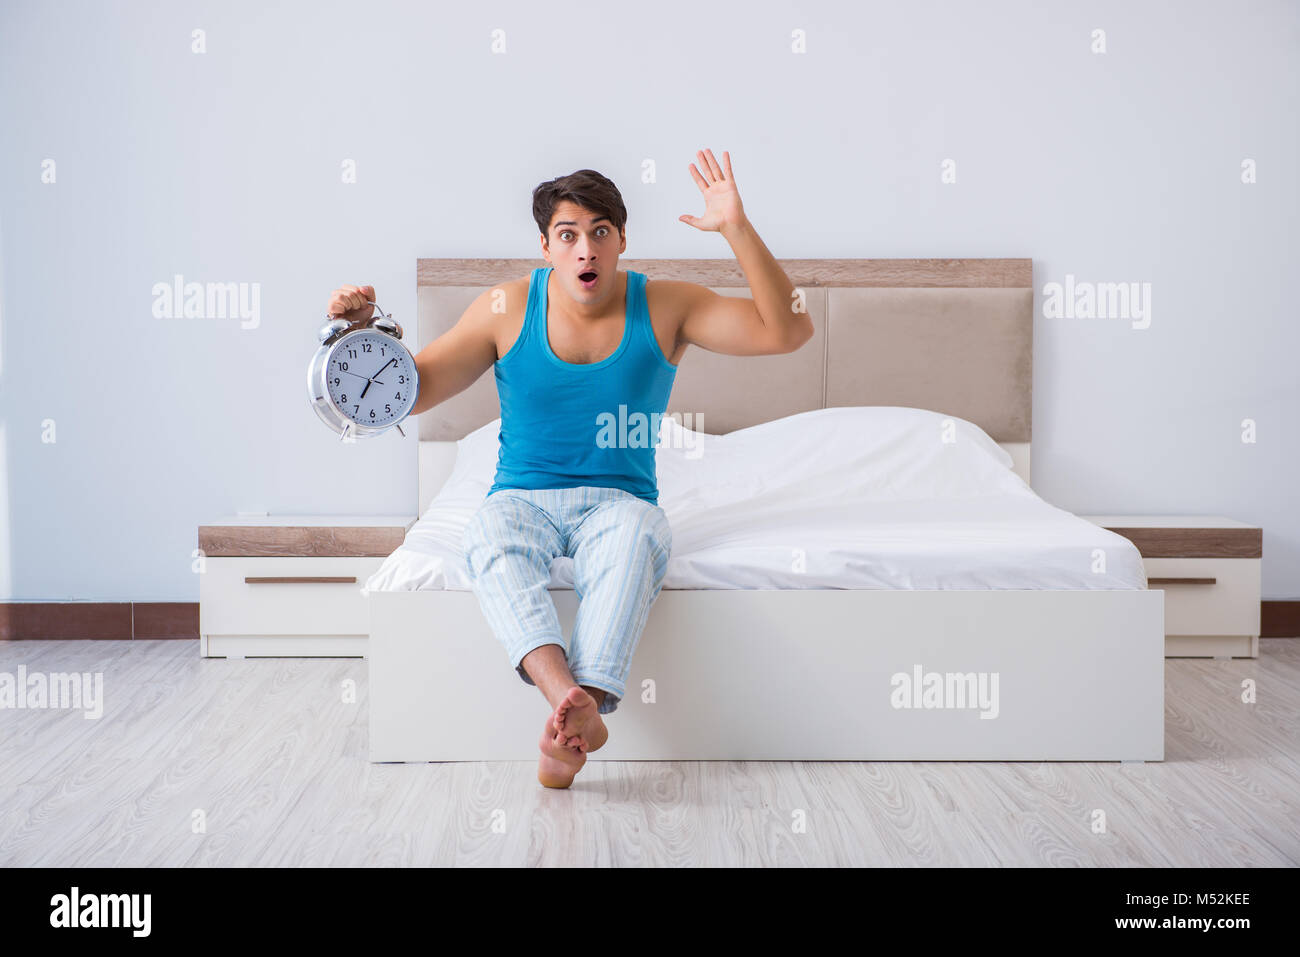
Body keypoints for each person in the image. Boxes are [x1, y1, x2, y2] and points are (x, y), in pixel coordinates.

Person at [326, 149, 813, 788]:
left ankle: (568, 723)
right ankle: (574, 704)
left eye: (600, 234)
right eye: (569, 235)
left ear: (621, 242)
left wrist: (736, 229)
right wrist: (359, 333)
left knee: (637, 539)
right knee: (487, 538)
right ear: (546, 247)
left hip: (621, 503)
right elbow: (410, 391)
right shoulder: (505, 308)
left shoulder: (668, 306)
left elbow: (789, 332)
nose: (586, 250)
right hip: (521, 499)